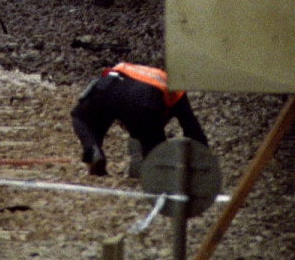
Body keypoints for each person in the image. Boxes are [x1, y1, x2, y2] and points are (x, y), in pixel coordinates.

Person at [71, 61, 208, 177]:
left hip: (110, 84)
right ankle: (144, 164)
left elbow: (102, 118)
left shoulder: (135, 69)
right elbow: (193, 130)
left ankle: (93, 150)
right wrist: (203, 161)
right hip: (144, 102)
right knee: (155, 152)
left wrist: (92, 149)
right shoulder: (176, 90)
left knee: (81, 117)